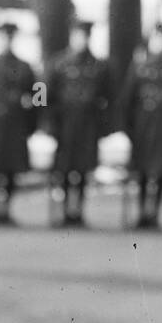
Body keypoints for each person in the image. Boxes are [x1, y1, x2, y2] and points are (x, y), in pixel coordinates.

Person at [117, 21, 162, 229]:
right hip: (143, 126)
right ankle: (142, 211)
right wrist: (127, 128)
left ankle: (154, 213)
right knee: (141, 170)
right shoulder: (141, 66)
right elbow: (127, 100)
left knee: (161, 170)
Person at [43, 17, 113, 227]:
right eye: (78, 36)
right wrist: (47, 122)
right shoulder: (57, 63)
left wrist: (103, 126)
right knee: (64, 169)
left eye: (85, 36)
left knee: (82, 170)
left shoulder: (99, 66)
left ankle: (78, 211)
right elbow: (44, 93)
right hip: (64, 124)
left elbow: (109, 97)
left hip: (87, 125)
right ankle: (64, 210)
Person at [0, 21, 38, 225]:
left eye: (10, 36)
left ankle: (5, 210)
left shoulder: (24, 66)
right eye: (4, 36)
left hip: (15, 125)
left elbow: (39, 91)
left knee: (11, 171)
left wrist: (32, 112)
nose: (7, 40)